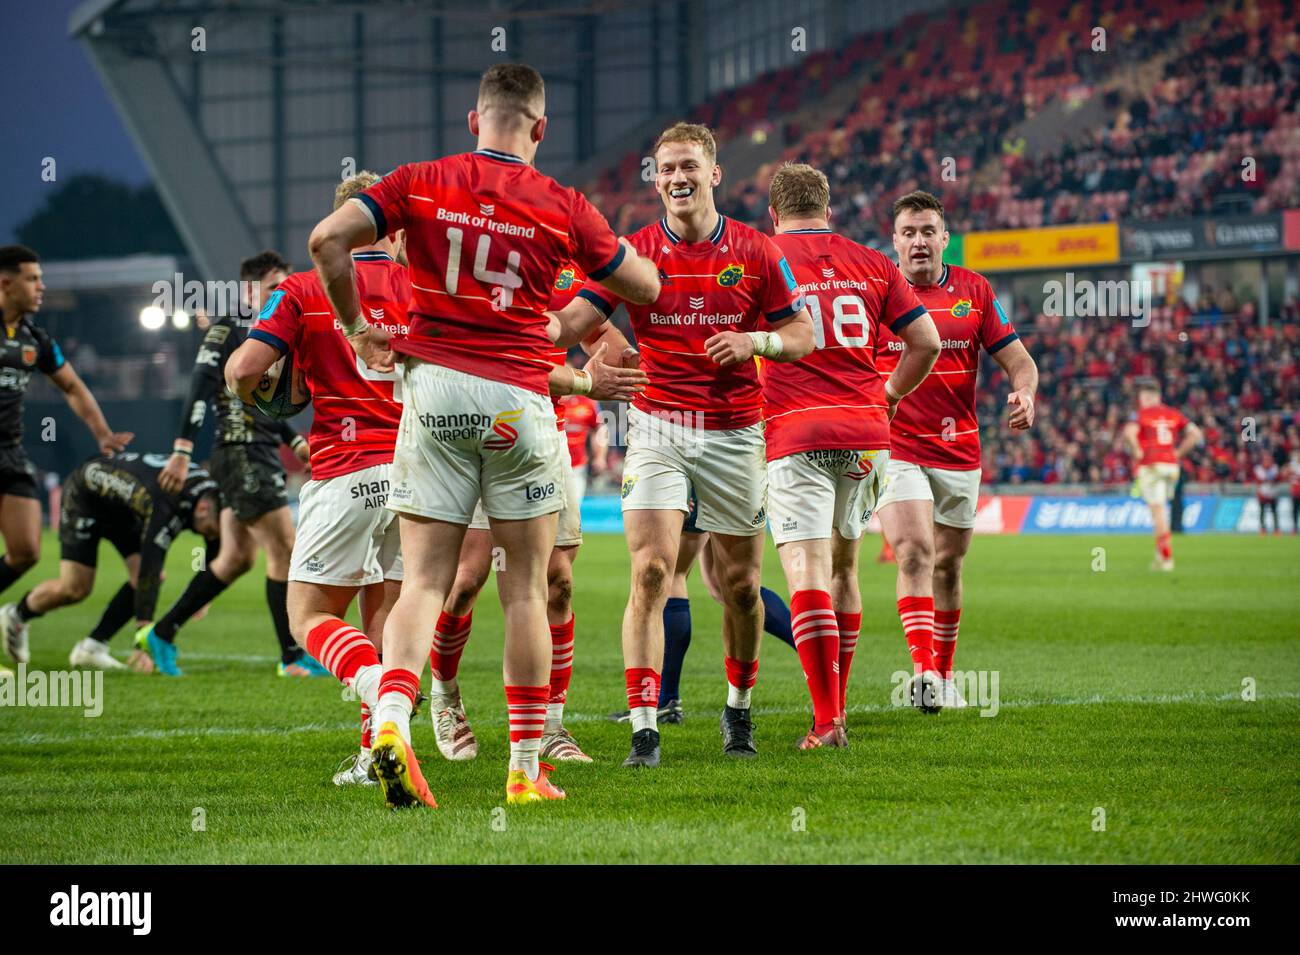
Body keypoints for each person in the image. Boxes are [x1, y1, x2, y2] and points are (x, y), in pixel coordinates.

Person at [308, 62, 660, 808]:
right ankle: (526, 767)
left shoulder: (421, 179)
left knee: (425, 582)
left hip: (433, 393)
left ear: (474, 121)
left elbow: (326, 240)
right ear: (540, 128)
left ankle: (394, 722)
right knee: (527, 588)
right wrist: (575, 304)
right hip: (518, 398)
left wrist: (354, 325)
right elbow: (647, 286)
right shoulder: (562, 204)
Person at [551, 122, 814, 766]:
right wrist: (508, 324)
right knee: (650, 571)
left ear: (714, 174)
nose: (676, 178)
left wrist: (757, 342)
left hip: (734, 431)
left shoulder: (755, 251)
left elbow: (803, 334)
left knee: (744, 586)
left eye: (689, 166)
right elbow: (568, 325)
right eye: (666, 168)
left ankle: (738, 711)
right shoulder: (634, 253)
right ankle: (645, 729)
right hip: (659, 428)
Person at [225, 172, 412, 787]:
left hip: (346, 470)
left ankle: (377, 689)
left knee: (307, 617)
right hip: (420, 475)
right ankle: (378, 743)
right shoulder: (425, 287)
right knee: (383, 616)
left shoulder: (304, 288)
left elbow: (241, 372)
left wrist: (274, 399)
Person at [425, 261, 645, 767]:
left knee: (558, 583)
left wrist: (620, 358)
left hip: (544, 440)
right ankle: (445, 695)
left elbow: (601, 334)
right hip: (479, 436)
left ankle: (550, 726)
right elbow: (495, 365)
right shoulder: (470, 265)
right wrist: (584, 381)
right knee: (465, 581)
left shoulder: (563, 271)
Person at [763, 164, 939, 747]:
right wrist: (888, 395)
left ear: (774, 213)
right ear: (829, 210)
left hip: (795, 432)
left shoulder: (762, 257)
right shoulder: (872, 262)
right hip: (866, 435)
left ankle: (827, 720)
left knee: (806, 573)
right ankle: (837, 708)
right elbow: (927, 342)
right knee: (845, 569)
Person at [875, 190, 1039, 710]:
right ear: (895, 241)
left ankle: (944, 675)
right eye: (909, 232)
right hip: (895, 446)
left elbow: (1019, 360)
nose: (919, 241)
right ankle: (923, 674)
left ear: (945, 239)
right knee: (914, 551)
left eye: (929, 231)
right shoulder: (877, 291)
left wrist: (1025, 391)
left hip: (959, 448)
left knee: (948, 565)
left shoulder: (975, 289)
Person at [150, 251, 318, 676]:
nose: (281, 294)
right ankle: (292, 657)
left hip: (257, 450)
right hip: (241, 452)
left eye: (284, 286)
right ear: (247, 290)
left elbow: (269, 402)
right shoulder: (229, 329)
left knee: (235, 559)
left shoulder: (278, 329)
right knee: (285, 548)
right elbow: (201, 386)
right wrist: (183, 448)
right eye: (272, 287)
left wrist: (294, 439)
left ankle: (162, 632)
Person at [0, 245, 133, 638]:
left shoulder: (34, 339)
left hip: (10, 451)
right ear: (6, 283)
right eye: (33, 279)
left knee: (26, 551)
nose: (42, 286)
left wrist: (103, 433)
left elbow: (73, 387)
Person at [0, 452, 220, 666]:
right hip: (86, 497)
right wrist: (143, 640)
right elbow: (150, 567)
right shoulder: (168, 502)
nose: (207, 535)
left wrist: (204, 596)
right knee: (75, 588)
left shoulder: (210, 497)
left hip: (123, 509)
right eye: (208, 530)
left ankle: (92, 648)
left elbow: (213, 545)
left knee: (146, 579)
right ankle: (17, 615)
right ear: (202, 508)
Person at [1122, 380, 1202, 571]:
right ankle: (1160, 556)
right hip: (1172, 466)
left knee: (1157, 512)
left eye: (1142, 396)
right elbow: (1196, 434)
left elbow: (1129, 433)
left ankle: (1166, 559)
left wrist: (1136, 451)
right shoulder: (1174, 414)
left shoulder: (1141, 414)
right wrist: (1178, 453)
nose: (1140, 400)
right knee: (1163, 510)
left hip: (1152, 465)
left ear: (1148, 397)